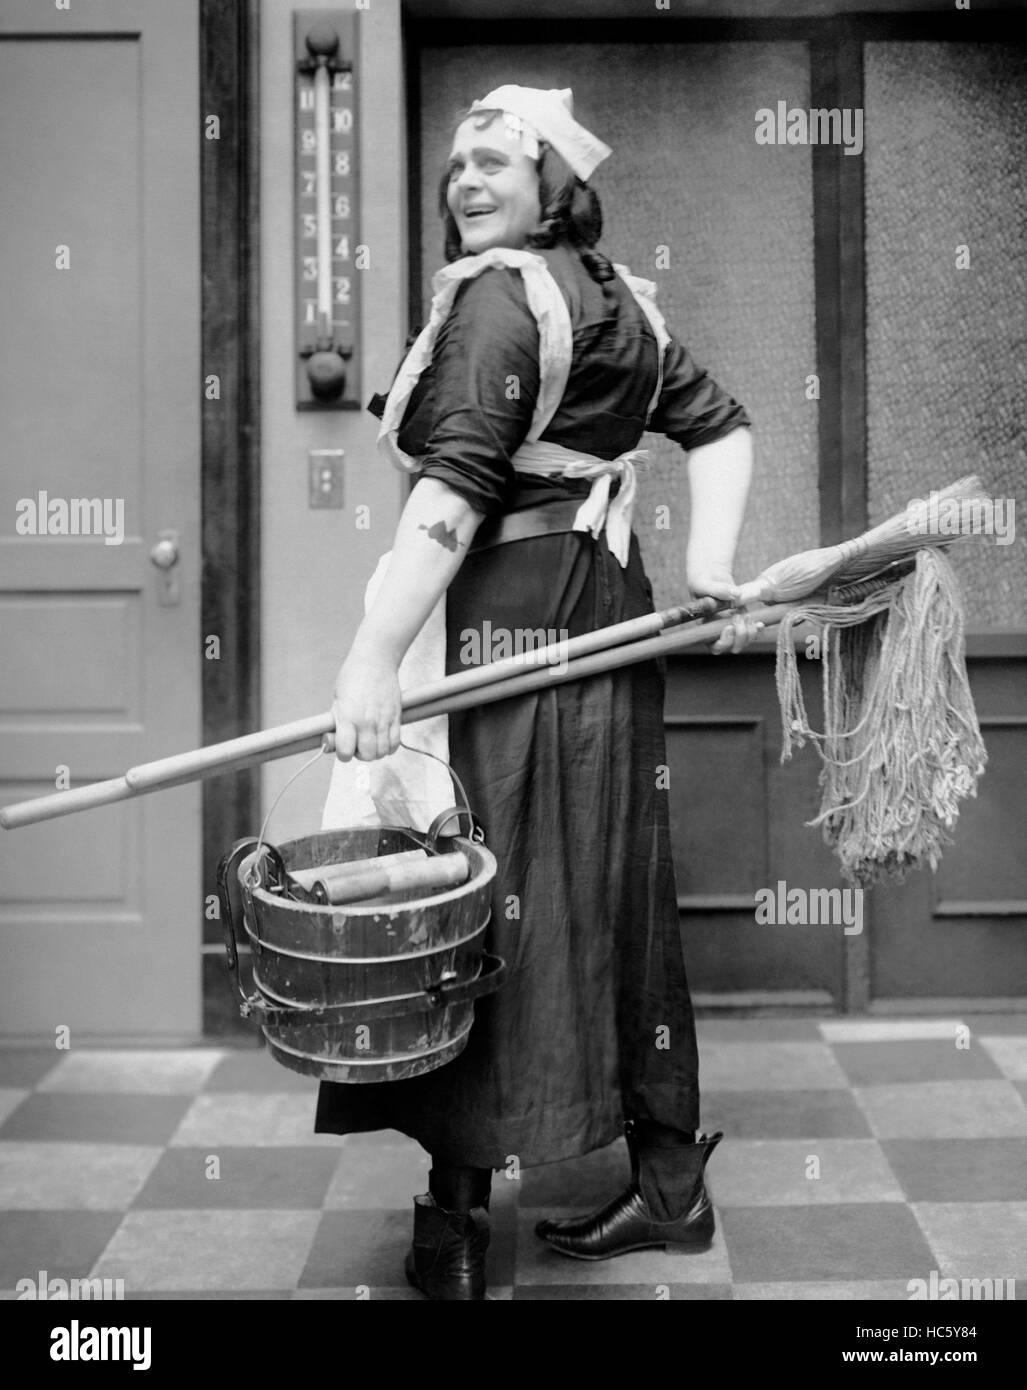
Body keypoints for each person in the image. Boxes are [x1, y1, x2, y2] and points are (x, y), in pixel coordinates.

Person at [315, 85, 761, 1301]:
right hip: (607, 609)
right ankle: (669, 1184)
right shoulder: (621, 301)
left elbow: (452, 501)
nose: (465, 179)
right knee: (614, 874)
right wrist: (706, 562)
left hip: (510, 608)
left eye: (494, 163)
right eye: (457, 162)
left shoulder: (503, 299)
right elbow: (719, 431)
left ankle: (457, 1220)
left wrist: (369, 660)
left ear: (549, 187)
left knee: (473, 878)